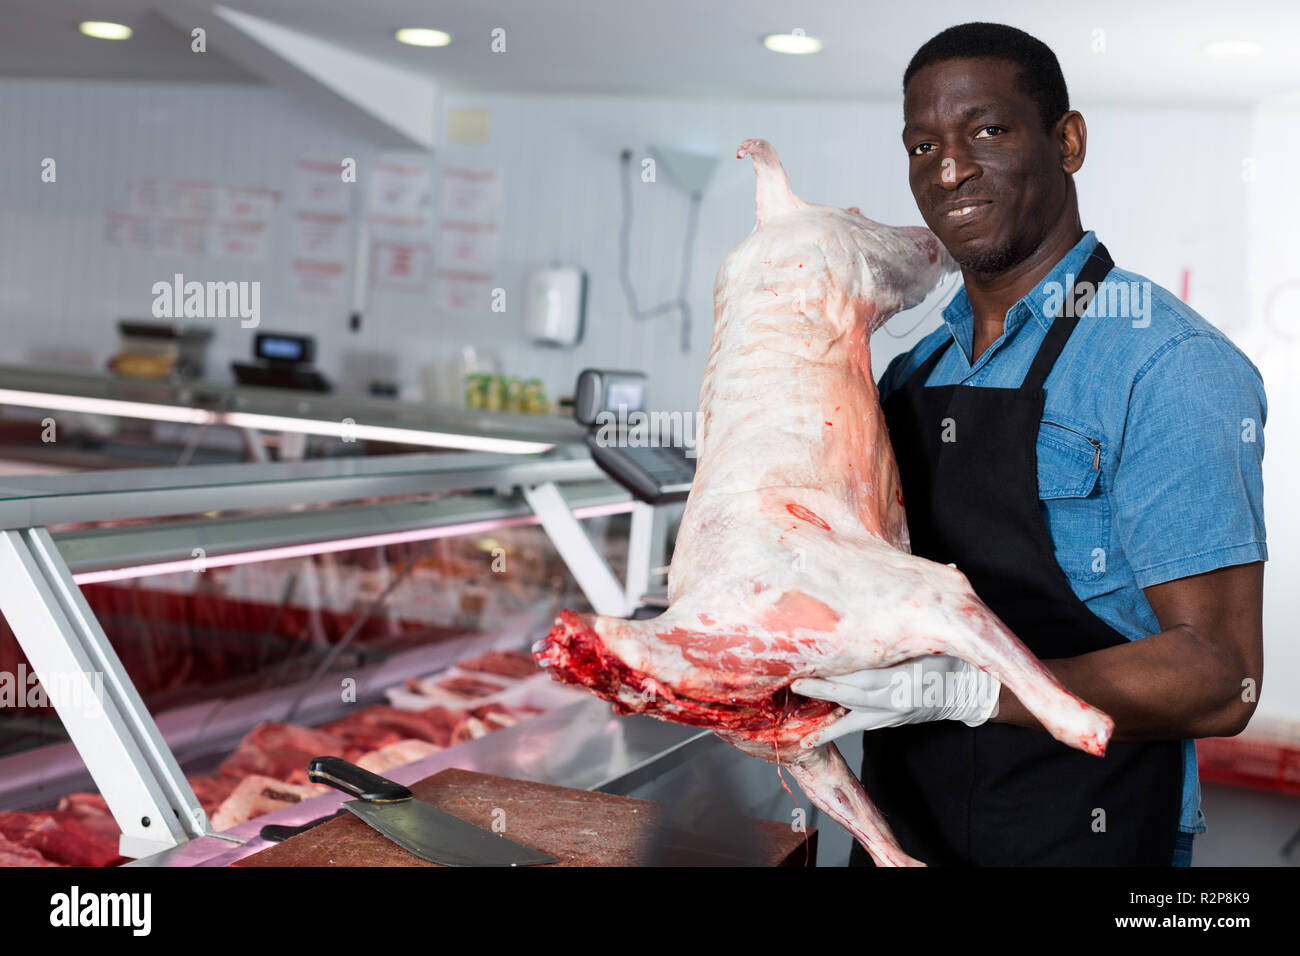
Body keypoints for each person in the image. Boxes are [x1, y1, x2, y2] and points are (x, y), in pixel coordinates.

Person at [792, 21, 1267, 867]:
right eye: (921, 144)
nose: (947, 169)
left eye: (988, 130)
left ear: (1068, 141)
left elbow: (1220, 676)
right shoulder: (910, 371)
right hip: (903, 829)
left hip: (1088, 828)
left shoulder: (1166, 363)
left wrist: (969, 688)